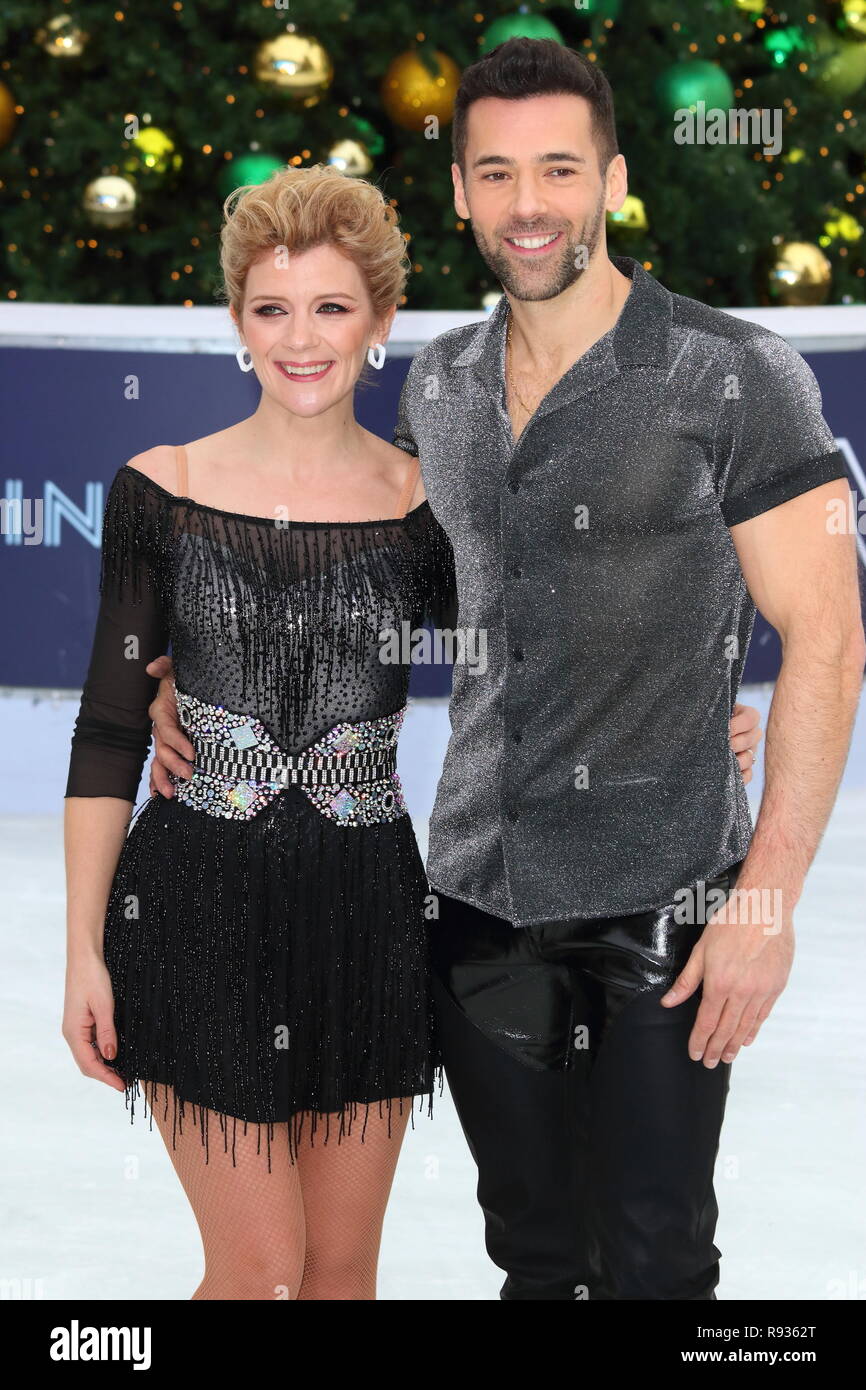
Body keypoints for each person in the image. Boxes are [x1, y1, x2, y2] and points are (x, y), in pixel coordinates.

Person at [153, 37, 862, 1301]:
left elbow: (828, 633)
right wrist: (179, 685)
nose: (528, 203)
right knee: (534, 1258)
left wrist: (763, 899)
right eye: (496, 172)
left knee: (650, 1262)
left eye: (557, 169)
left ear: (613, 181)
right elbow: (378, 590)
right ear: (465, 195)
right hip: (475, 899)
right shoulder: (440, 384)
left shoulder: (734, 374)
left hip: (664, 896)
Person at [62, 164, 458, 1301]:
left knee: (338, 1279)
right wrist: (85, 952)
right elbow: (104, 735)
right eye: (272, 308)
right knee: (260, 1272)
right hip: (191, 912)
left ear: (380, 321)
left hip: (370, 918)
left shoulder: (425, 509)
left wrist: (702, 709)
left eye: (332, 307)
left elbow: (533, 671)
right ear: (237, 318)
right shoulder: (160, 490)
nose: (301, 338)